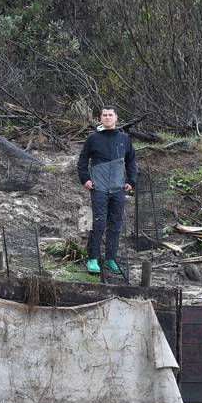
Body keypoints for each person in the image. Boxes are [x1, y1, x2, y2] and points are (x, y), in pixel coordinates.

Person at [77, 105, 137, 275]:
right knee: (98, 223)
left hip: (118, 189)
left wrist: (131, 180)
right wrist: (85, 179)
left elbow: (131, 161)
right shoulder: (93, 139)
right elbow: (82, 161)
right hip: (99, 188)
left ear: (116, 118)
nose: (108, 118)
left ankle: (111, 259)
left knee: (115, 225)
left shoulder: (124, 139)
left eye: (110, 115)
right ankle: (93, 259)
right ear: (100, 118)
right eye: (105, 115)